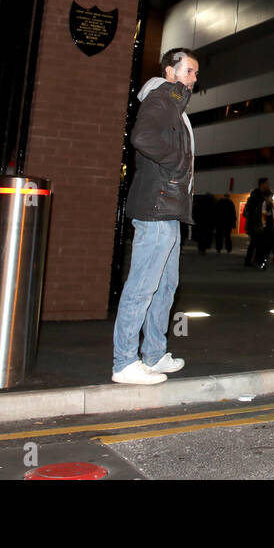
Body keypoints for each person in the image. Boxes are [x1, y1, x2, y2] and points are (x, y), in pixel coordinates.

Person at [112, 48, 198, 384]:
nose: (194, 78)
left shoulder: (174, 103)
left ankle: (153, 354)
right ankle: (123, 362)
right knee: (143, 285)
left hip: (168, 208)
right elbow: (142, 137)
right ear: (170, 72)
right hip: (157, 207)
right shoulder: (163, 98)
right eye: (189, 71)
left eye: (194, 72)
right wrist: (179, 161)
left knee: (165, 286)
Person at [243, 178, 270, 268]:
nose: (268, 185)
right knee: (256, 243)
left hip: (258, 224)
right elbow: (252, 212)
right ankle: (255, 261)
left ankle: (253, 261)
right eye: (266, 183)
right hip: (255, 225)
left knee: (256, 244)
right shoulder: (256, 197)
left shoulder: (261, 195)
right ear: (262, 184)